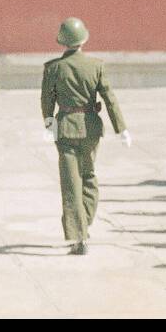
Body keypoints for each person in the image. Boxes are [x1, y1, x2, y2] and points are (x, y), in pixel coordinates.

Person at [41, 17, 130, 255]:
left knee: (71, 182)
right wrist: (122, 129)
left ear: (62, 41)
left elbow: (47, 101)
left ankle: (79, 236)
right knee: (89, 176)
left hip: (66, 129)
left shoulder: (53, 68)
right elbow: (110, 98)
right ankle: (84, 222)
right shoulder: (97, 66)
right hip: (91, 129)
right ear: (84, 39)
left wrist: (49, 126)